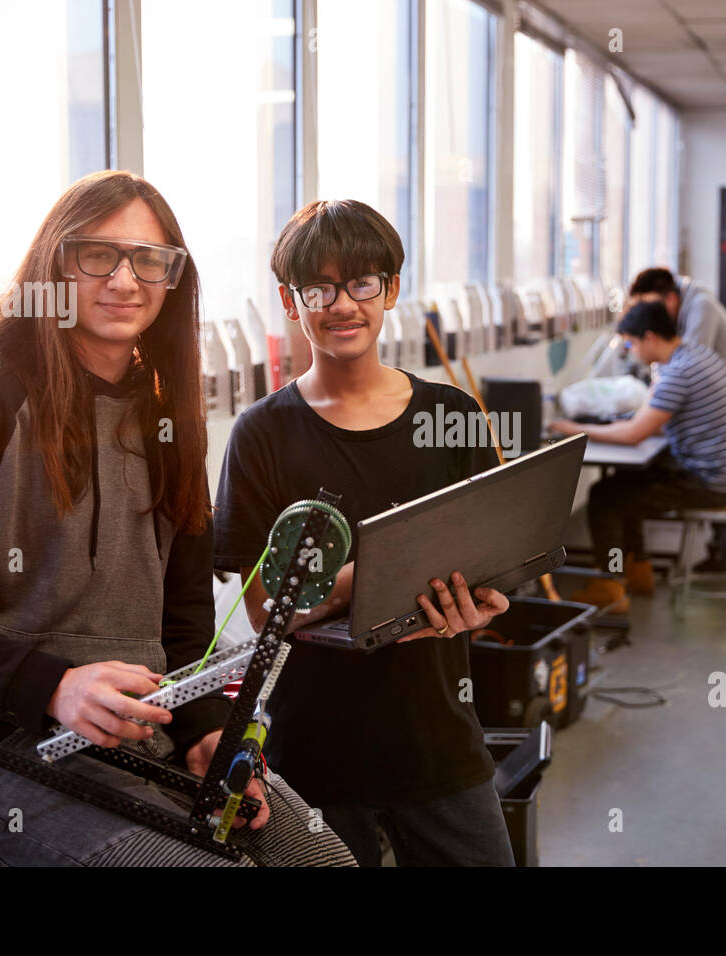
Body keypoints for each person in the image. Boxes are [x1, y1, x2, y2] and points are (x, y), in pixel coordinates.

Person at [0, 170, 353, 867]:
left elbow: (182, 621)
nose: (126, 279)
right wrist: (52, 684)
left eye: (150, 259)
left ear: (174, 279)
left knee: (325, 862)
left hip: (138, 734)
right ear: (57, 261)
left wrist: (205, 728)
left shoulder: (165, 416)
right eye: (100, 254)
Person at [212, 198, 515, 867]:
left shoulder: (453, 414)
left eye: (361, 283)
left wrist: (480, 605)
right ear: (292, 304)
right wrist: (390, 571)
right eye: (318, 287)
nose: (342, 304)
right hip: (316, 753)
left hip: (439, 739)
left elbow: (491, 572)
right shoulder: (261, 434)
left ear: (391, 290)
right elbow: (267, 610)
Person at [552, 300, 726, 611]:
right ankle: (637, 569)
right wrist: (619, 425)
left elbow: (635, 434)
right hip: (723, 475)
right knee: (627, 481)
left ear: (650, 338)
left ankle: (611, 587)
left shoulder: (678, 373)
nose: (630, 351)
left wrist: (574, 428)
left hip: (710, 485)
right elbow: (651, 423)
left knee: (605, 497)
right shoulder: (696, 356)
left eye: (631, 343)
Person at [627, 267, 726, 575]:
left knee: (716, 471)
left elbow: (684, 360)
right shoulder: (682, 308)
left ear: (670, 299)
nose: (649, 313)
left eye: (651, 305)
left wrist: (652, 405)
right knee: (716, 473)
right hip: (716, 399)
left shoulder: (701, 307)